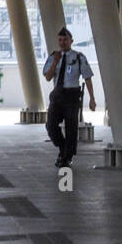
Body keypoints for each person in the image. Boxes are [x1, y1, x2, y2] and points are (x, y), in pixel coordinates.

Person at [43, 27, 96, 167]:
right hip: (57, 95)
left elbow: (88, 78)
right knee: (51, 125)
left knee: (71, 127)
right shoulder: (53, 56)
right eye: (60, 40)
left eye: (65, 40)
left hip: (72, 95)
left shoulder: (79, 57)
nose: (62, 42)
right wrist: (55, 62)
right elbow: (48, 77)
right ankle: (63, 147)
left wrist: (92, 99)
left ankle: (67, 156)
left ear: (71, 41)